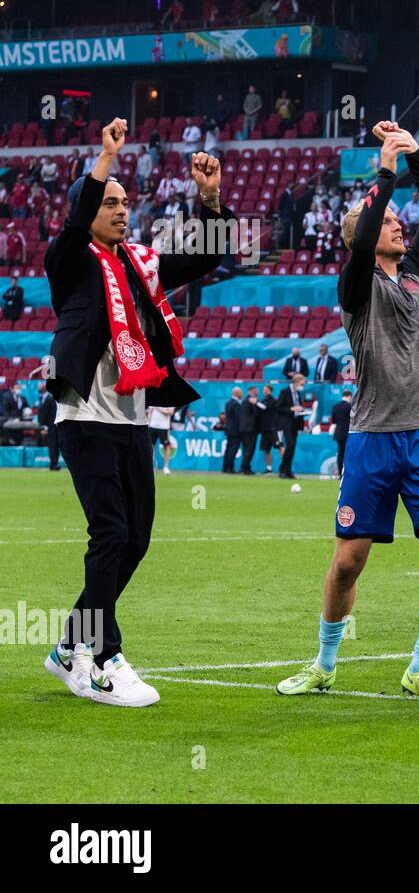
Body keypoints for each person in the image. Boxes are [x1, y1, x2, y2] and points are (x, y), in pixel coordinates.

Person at [276, 122, 419, 706]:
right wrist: (383, 172)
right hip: (374, 437)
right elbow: (363, 242)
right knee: (347, 563)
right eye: (386, 221)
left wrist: (413, 155)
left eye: (394, 221)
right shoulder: (354, 284)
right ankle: (325, 663)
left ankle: (418, 667)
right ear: (362, 232)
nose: (397, 224)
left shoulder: (415, 274)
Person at [43, 121, 231, 706]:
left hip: (131, 419)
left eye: (126, 202)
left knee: (138, 538)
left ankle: (69, 644)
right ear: (88, 207)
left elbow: (203, 257)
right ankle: (102, 659)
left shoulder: (141, 264)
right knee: (111, 533)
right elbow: (74, 229)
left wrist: (209, 199)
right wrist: (104, 159)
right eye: (110, 202)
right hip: (85, 418)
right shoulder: (69, 260)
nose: (123, 211)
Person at [276, 373, 307, 479]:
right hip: (286, 423)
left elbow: (298, 406)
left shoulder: (298, 393)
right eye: (302, 383)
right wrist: (291, 409)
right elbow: (279, 407)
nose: (303, 385)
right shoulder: (284, 392)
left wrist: (301, 409)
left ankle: (288, 471)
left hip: (295, 423)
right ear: (297, 382)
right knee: (289, 446)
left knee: (292, 447)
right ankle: (282, 470)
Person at [220, 389, 243, 474]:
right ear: (236, 393)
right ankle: (230, 468)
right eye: (240, 392)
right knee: (233, 450)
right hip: (235, 431)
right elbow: (238, 419)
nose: (242, 393)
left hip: (229, 430)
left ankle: (225, 467)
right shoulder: (236, 404)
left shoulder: (228, 403)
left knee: (228, 449)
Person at [238, 386, 260, 475]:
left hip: (244, 428)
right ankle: (245, 468)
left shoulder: (244, 400)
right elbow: (256, 414)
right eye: (255, 391)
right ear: (251, 391)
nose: (257, 392)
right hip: (250, 429)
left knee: (246, 449)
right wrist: (256, 404)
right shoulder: (251, 401)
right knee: (249, 449)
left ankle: (245, 467)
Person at [331, 388, 352, 478]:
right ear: (349, 396)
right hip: (348, 433)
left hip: (339, 433)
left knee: (340, 454)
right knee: (348, 453)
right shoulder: (349, 407)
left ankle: (340, 473)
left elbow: (334, 420)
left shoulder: (335, 406)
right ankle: (347, 473)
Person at [38, 386, 59, 470]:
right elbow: (44, 414)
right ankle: (53, 464)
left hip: (55, 426)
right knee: (53, 446)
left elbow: (44, 414)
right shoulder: (49, 399)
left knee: (55, 445)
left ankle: (54, 464)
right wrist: (43, 427)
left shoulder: (50, 399)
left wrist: (44, 426)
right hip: (52, 426)